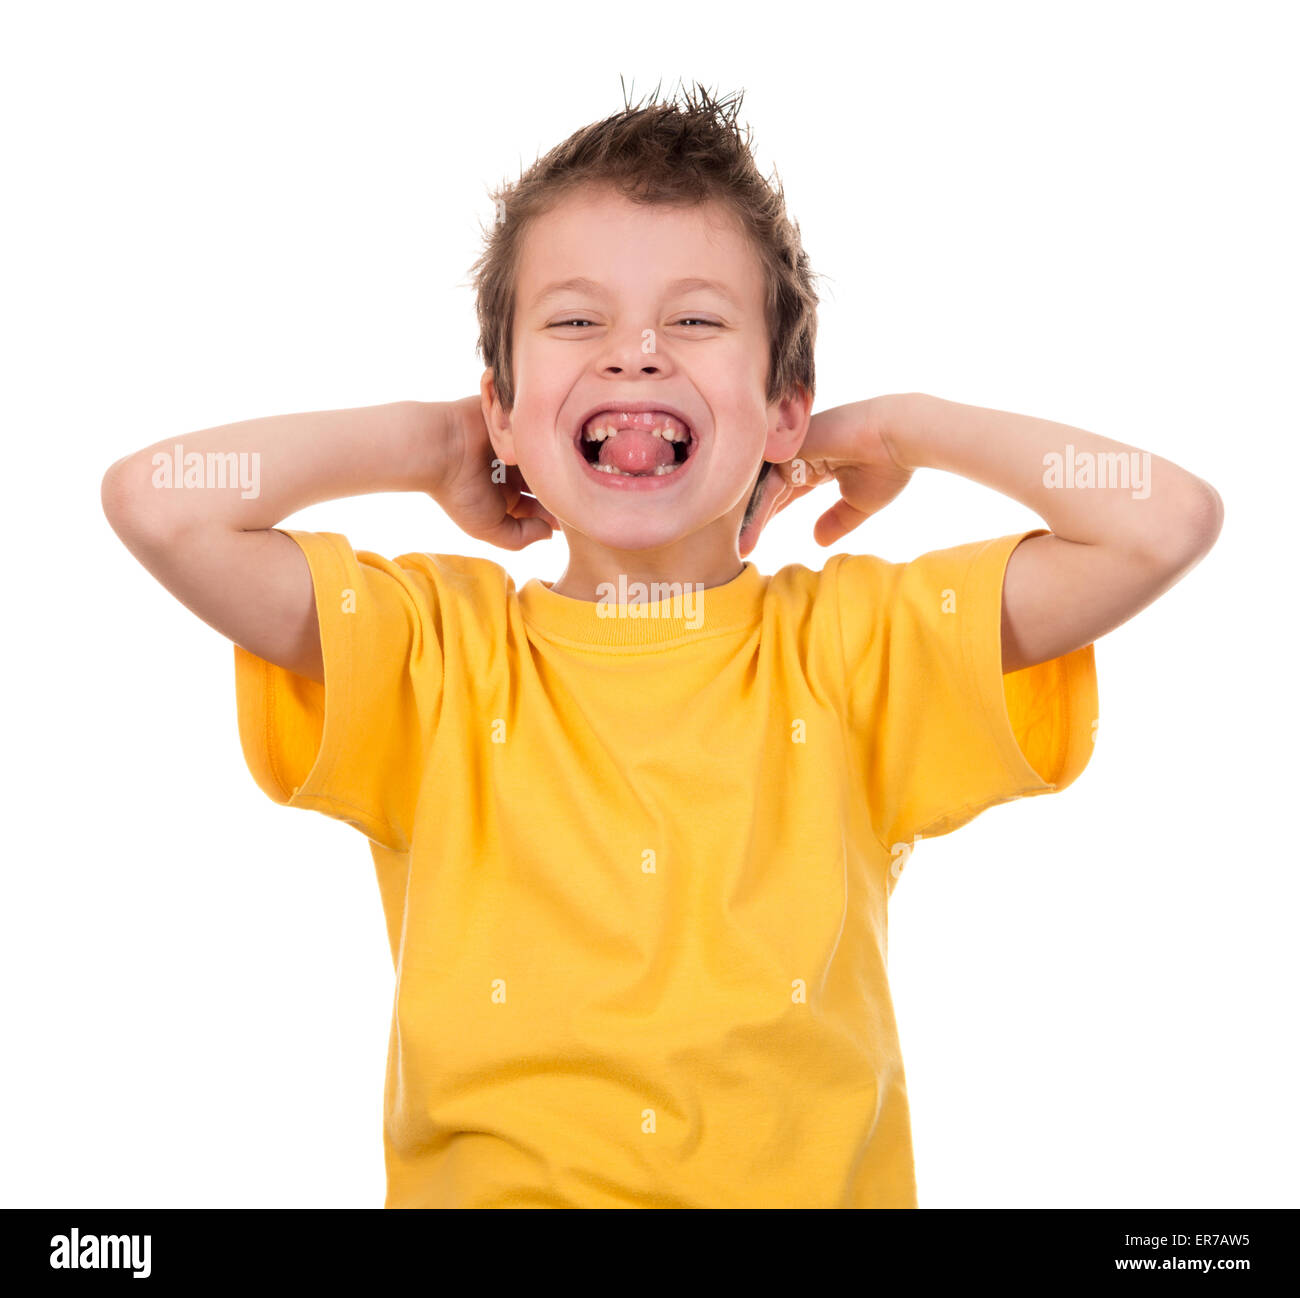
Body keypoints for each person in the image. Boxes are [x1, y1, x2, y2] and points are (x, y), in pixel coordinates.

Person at [100, 83, 1223, 1208]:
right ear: (502, 406)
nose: (635, 354)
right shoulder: (432, 653)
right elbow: (159, 501)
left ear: (784, 411)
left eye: (693, 320)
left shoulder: (854, 648)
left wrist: (900, 427)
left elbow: (1161, 518)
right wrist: (434, 441)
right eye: (577, 320)